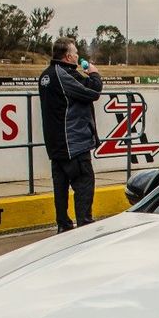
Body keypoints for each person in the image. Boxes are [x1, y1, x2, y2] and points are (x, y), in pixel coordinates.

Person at [38, 37, 102, 232]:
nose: (77, 56)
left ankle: (63, 226)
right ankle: (84, 226)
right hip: (73, 143)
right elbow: (93, 91)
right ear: (67, 57)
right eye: (75, 53)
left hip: (55, 145)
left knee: (60, 188)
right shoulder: (65, 74)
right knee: (84, 184)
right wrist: (94, 74)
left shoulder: (46, 75)